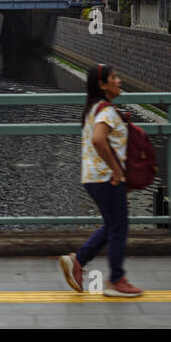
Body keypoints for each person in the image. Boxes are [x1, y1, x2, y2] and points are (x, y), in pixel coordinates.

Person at [57, 64, 144, 298]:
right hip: (105, 178)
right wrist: (116, 170)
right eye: (114, 78)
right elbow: (98, 140)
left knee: (113, 225)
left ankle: (78, 260)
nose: (119, 81)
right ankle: (116, 280)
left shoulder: (93, 109)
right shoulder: (106, 111)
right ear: (102, 85)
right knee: (119, 227)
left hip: (93, 177)